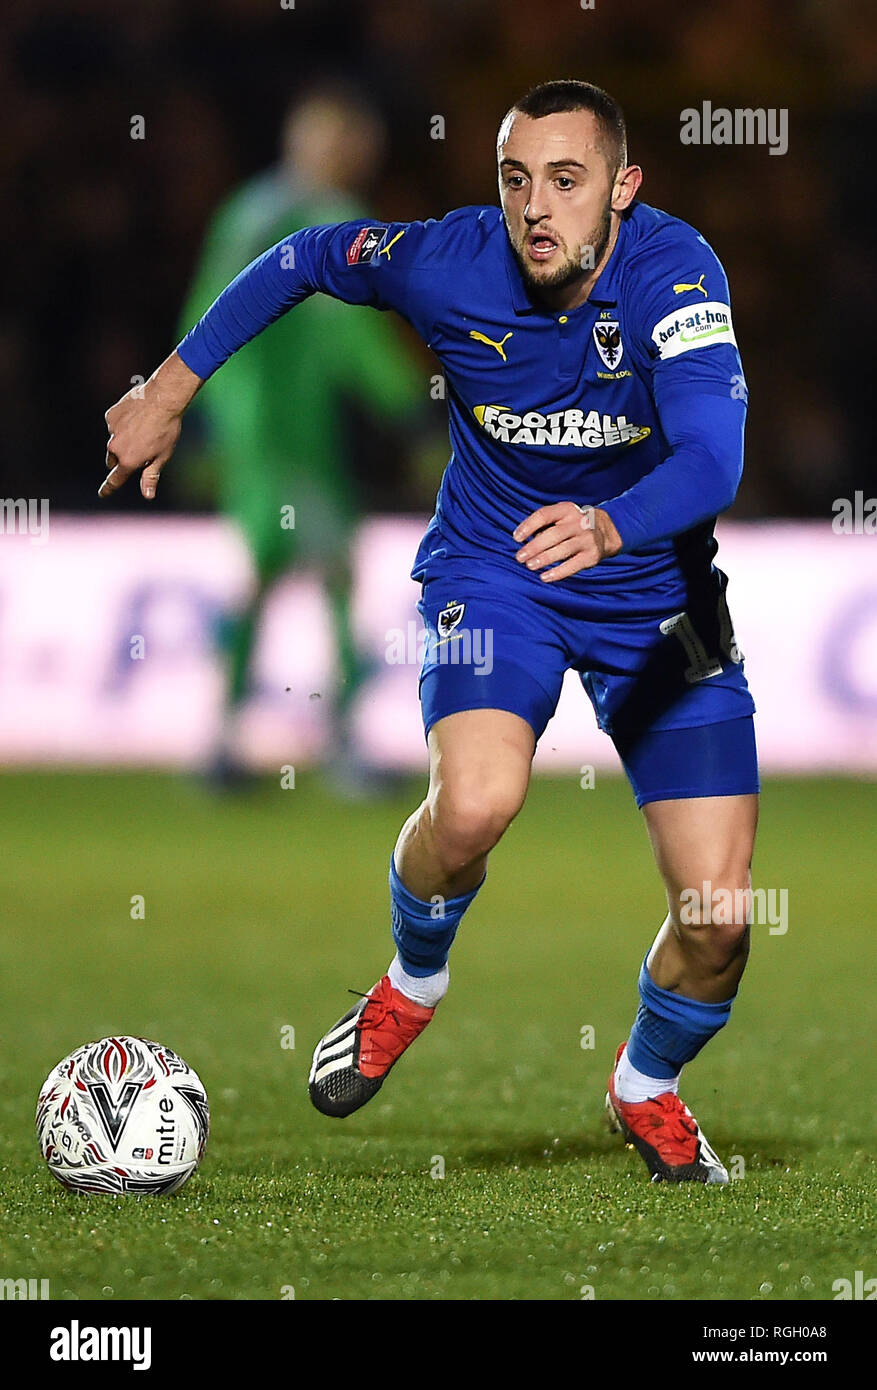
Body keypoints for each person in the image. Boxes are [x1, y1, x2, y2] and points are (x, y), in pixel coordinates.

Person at [102, 80, 758, 1184]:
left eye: (566, 180)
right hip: (494, 572)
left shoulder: (676, 275)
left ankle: (643, 1084)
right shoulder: (449, 261)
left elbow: (712, 460)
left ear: (623, 188)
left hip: (658, 600)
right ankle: (412, 978)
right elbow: (303, 255)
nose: (534, 208)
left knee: (721, 914)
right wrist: (170, 387)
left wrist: (610, 522)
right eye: (514, 179)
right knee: (476, 801)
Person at [177, 83, 428, 787]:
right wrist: (409, 408)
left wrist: (197, 413)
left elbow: (204, 308)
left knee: (271, 571)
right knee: (330, 567)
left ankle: (223, 744)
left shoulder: (252, 212)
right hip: (270, 426)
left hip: (271, 422)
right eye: (345, 141)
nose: (354, 157)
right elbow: (353, 333)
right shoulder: (321, 218)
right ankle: (338, 745)